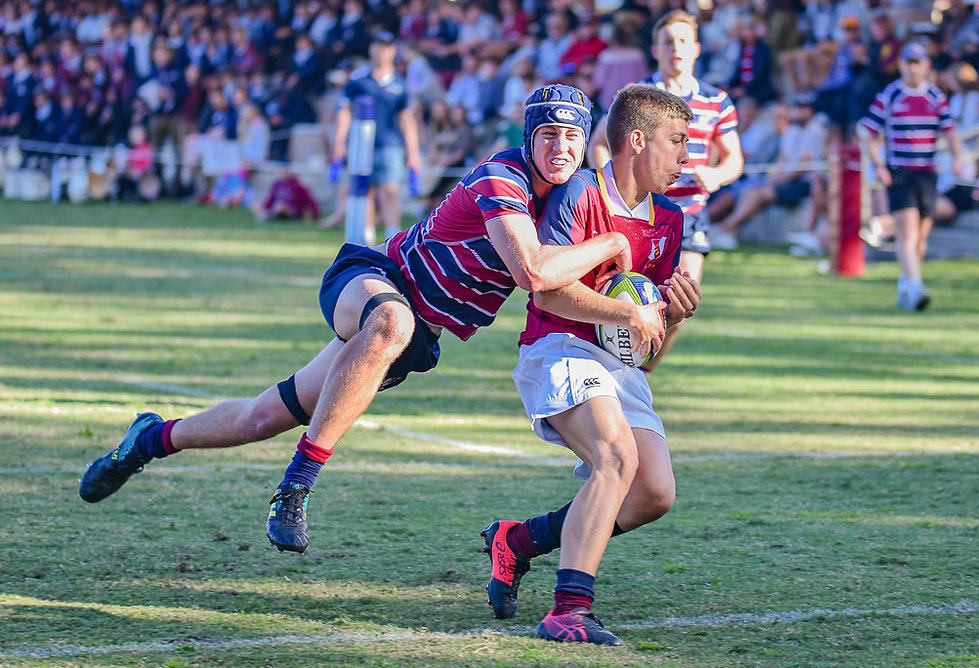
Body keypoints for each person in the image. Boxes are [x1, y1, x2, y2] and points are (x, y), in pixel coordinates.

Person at [79, 85, 662, 557]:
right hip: (375, 276)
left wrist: (649, 303)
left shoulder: (568, 203)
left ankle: (148, 439)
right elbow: (536, 271)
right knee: (391, 324)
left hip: (419, 331)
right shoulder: (501, 176)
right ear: (528, 138)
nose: (561, 146)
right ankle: (295, 489)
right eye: (549, 134)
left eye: (573, 136)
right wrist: (612, 239)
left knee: (262, 416)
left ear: (588, 143)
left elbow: (568, 285)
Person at [483, 84, 702, 645]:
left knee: (653, 492)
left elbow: (647, 343)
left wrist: (671, 318)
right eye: (677, 142)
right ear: (636, 141)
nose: (685, 158)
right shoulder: (581, 191)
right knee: (615, 457)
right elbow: (548, 292)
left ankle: (520, 540)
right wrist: (629, 311)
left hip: (616, 364)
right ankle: (568, 611)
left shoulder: (671, 221)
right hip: (557, 346)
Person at [588, 10, 743, 369]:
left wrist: (717, 176)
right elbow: (599, 144)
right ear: (655, 49)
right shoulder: (637, 97)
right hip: (639, 215)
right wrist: (614, 187)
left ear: (697, 49)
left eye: (683, 40)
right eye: (667, 41)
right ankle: (611, 367)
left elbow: (735, 159)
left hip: (689, 215)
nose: (676, 47)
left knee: (681, 304)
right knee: (620, 295)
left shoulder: (717, 101)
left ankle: (641, 370)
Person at [860, 41, 962, 311]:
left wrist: (957, 158)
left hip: (927, 173)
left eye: (918, 62)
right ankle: (916, 288)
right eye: (909, 62)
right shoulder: (891, 95)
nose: (913, 68)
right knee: (908, 231)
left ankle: (906, 283)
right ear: (902, 64)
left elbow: (950, 131)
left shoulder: (936, 97)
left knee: (921, 237)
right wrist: (879, 164)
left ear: (926, 65)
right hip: (900, 173)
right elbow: (869, 131)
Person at [321, 31, 421, 241]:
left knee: (390, 190)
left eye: (386, 46)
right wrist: (339, 142)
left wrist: (413, 152)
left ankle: (393, 236)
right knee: (364, 191)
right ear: (371, 49)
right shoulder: (358, 81)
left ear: (393, 50)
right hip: (361, 145)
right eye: (378, 45)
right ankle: (367, 237)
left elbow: (407, 120)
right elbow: (344, 111)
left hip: (390, 144)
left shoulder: (399, 84)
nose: (381, 50)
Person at [711, 94, 827, 250]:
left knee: (757, 193)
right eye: (797, 108)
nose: (798, 112)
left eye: (802, 109)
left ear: (811, 112)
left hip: (804, 183)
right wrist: (774, 177)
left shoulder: (816, 130)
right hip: (788, 180)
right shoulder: (792, 130)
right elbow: (783, 159)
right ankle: (727, 229)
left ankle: (727, 229)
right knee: (749, 191)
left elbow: (804, 165)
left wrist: (779, 179)